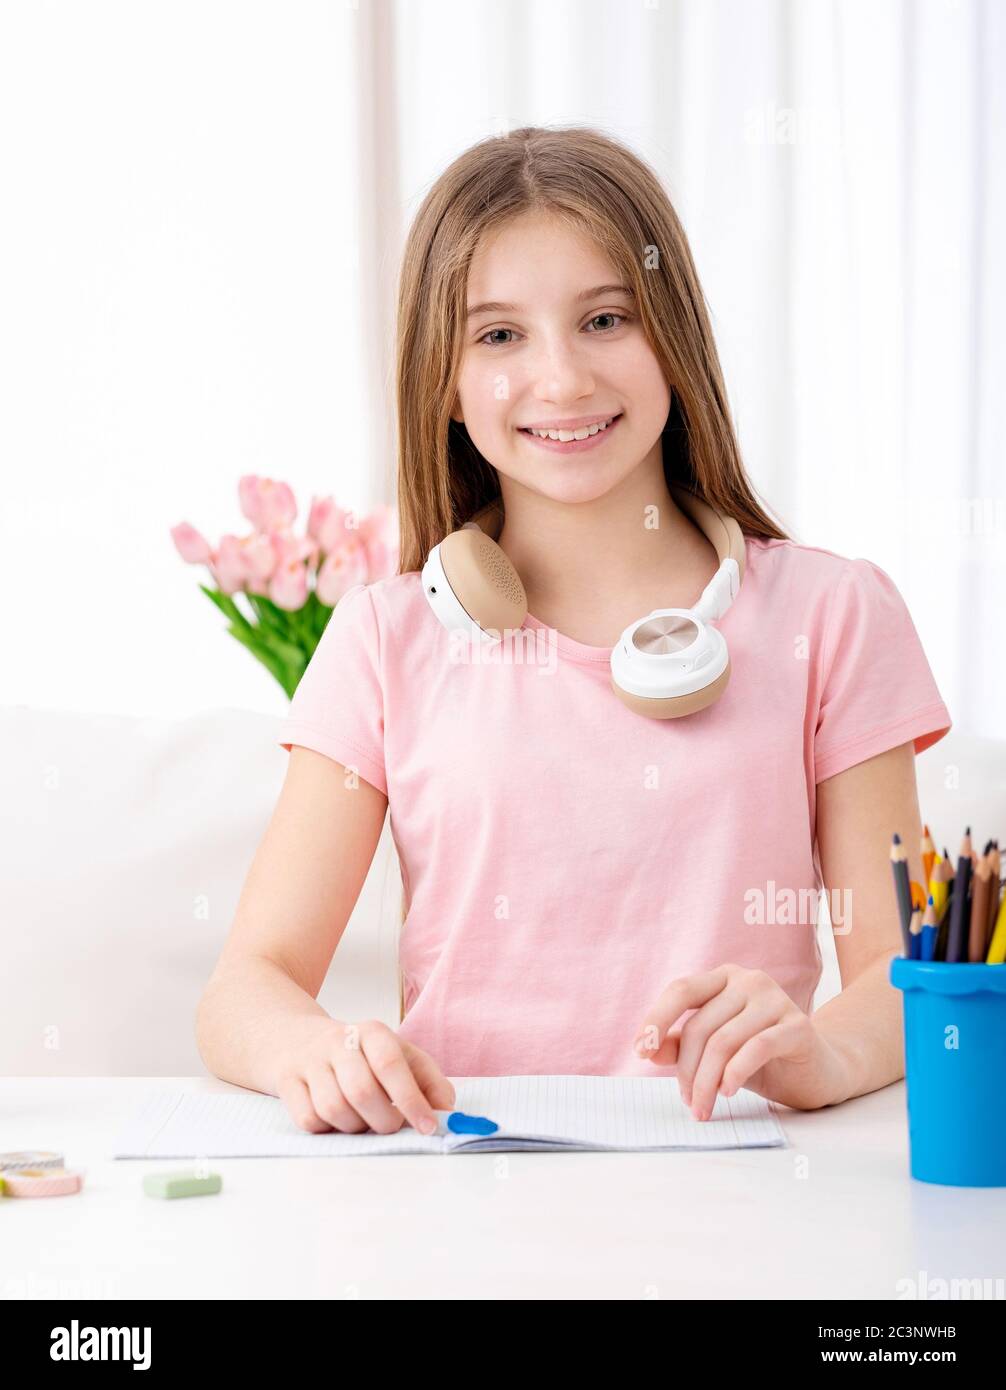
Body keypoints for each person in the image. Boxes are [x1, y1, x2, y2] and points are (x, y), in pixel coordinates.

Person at [196, 126, 951, 1136]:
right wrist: (314, 1051)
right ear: (445, 384)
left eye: (604, 319)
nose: (561, 379)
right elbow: (248, 982)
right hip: (464, 1187)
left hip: (734, 1185)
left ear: (674, 342)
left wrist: (822, 1051)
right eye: (498, 335)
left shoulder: (834, 614)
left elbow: (911, 977)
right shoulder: (385, 640)